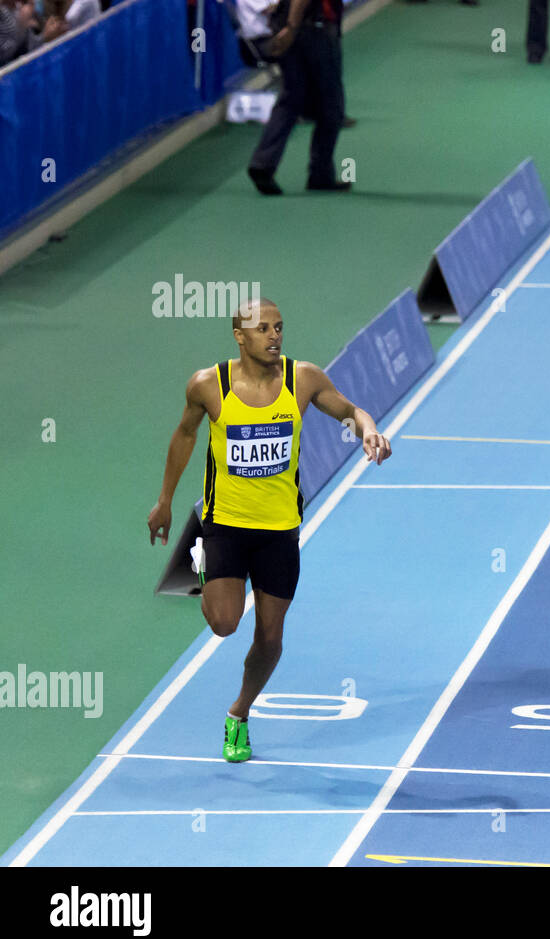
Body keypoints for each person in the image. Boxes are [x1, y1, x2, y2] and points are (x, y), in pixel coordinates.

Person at [147, 299, 392, 761]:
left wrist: (369, 429)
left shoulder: (303, 379)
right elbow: (184, 435)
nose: (274, 336)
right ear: (240, 337)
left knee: (271, 639)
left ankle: (238, 714)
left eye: (279, 327)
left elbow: (349, 410)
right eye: (263, 329)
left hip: (280, 531)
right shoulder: (209, 385)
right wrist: (164, 502)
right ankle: (204, 563)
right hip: (225, 526)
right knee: (223, 623)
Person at [247, 0, 350, 194]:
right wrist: (292, 27)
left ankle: (263, 164)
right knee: (331, 105)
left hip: (291, 26)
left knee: (291, 98)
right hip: (312, 30)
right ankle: (320, 174)